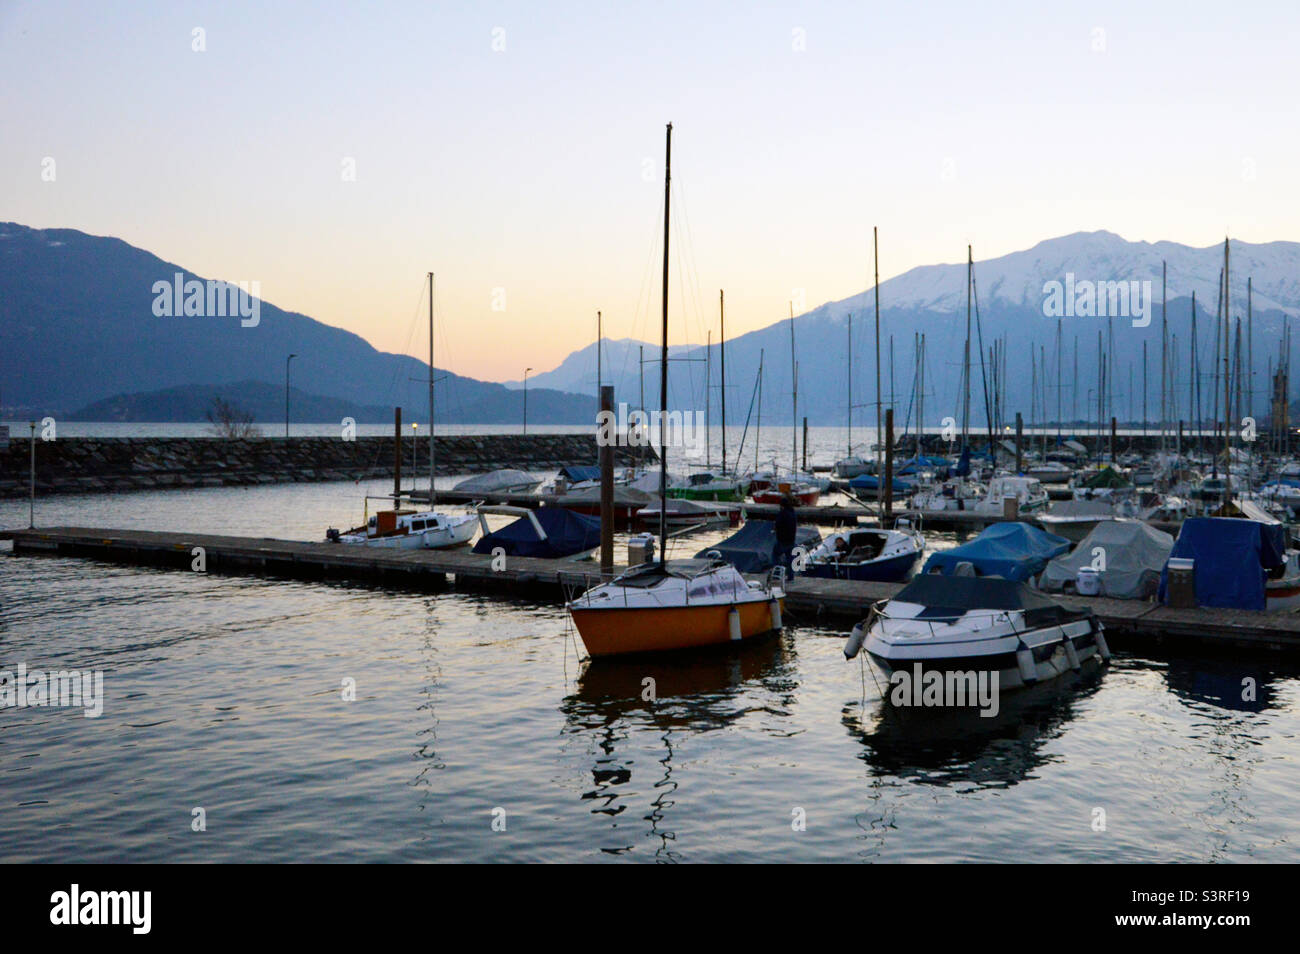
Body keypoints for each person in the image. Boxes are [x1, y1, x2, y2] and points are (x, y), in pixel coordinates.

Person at [772, 495, 799, 574]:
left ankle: (777, 573)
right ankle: (791, 576)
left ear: (782, 505)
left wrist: (775, 529)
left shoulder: (782, 514)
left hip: (782, 540)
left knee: (775, 555)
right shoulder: (793, 513)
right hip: (791, 540)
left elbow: (778, 524)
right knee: (790, 559)